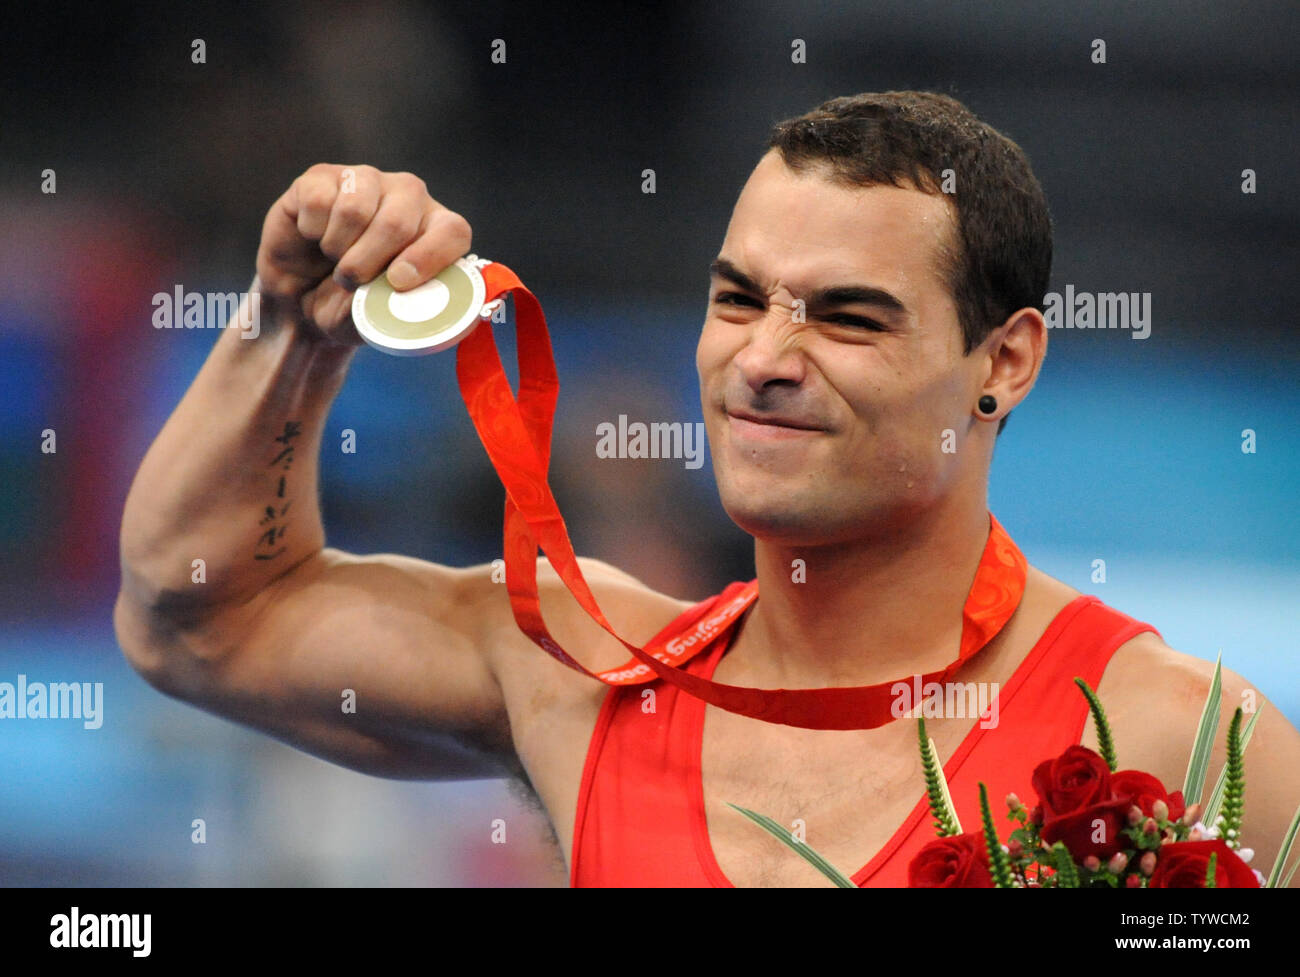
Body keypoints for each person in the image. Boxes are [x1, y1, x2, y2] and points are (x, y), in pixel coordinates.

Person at [114, 91, 1300, 887]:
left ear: (1004, 361)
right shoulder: (576, 669)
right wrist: (293, 324)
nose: (764, 359)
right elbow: (200, 616)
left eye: (846, 316)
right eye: (738, 298)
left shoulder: (1179, 737)